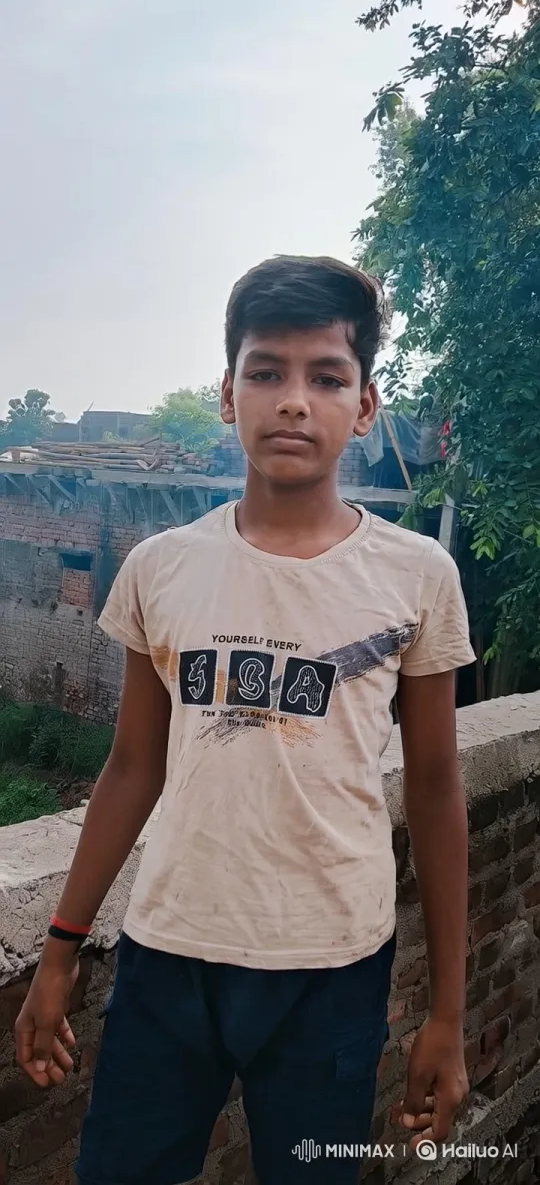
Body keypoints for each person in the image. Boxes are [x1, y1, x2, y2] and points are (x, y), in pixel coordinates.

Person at [15, 256, 474, 1185]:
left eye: (326, 377)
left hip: (334, 970)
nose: (294, 401)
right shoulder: (163, 567)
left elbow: (433, 788)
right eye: (266, 372)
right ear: (228, 396)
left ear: (366, 405)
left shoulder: (418, 575)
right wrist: (61, 946)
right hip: (166, 960)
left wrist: (449, 1017)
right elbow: (133, 766)